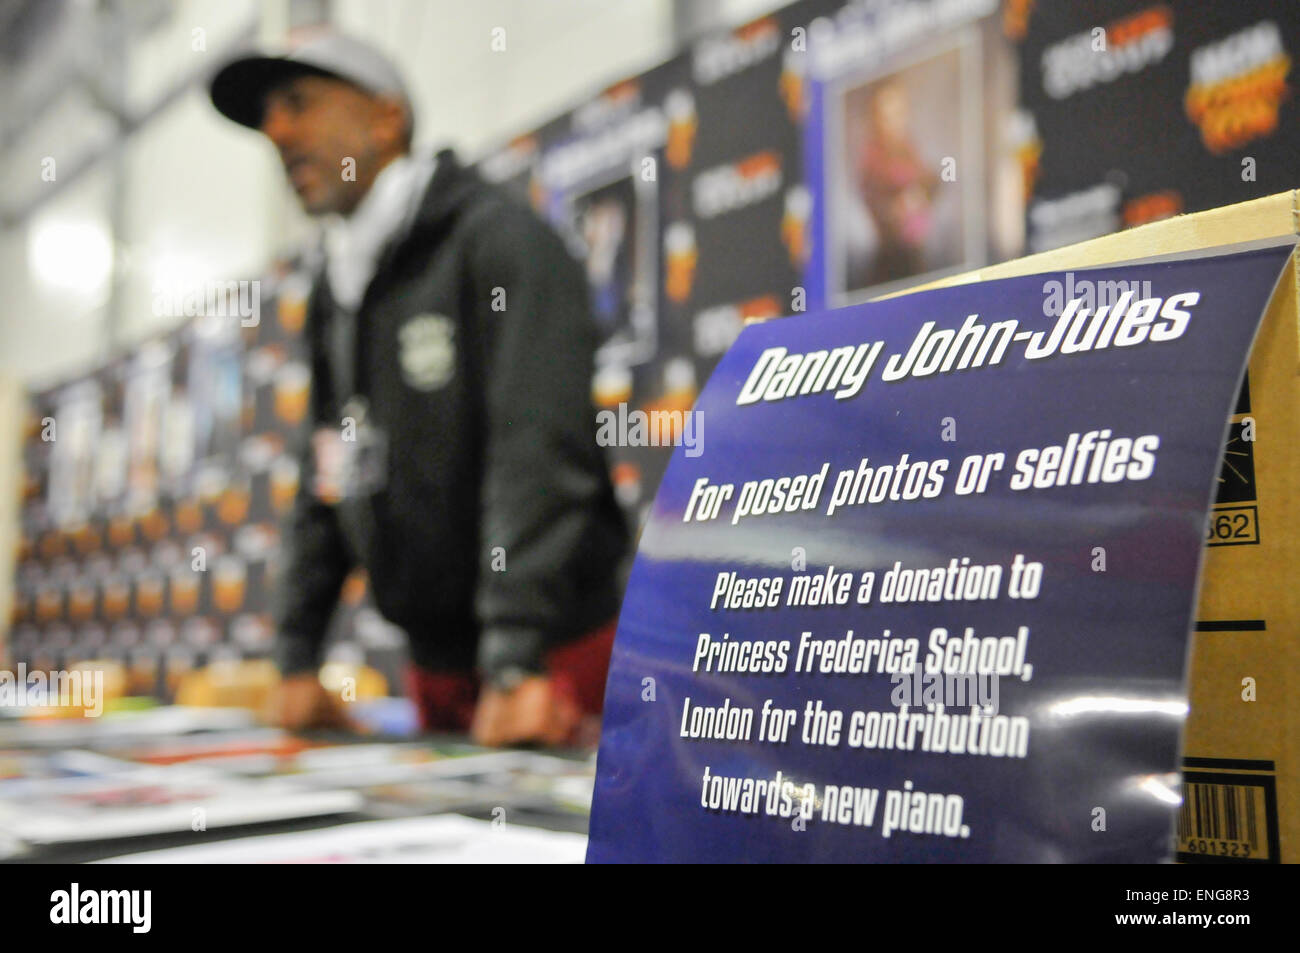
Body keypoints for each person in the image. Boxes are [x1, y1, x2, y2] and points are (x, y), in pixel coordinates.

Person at [208, 31, 628, 746]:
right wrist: (296, 659)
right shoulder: (334, 290)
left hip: (554, 665)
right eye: (267, 118)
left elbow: (538, 452)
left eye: (298, 103)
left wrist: (514, 659)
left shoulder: (502, 239)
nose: (277, 132)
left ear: (386, 119)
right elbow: (327, 470)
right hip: (439, 672)